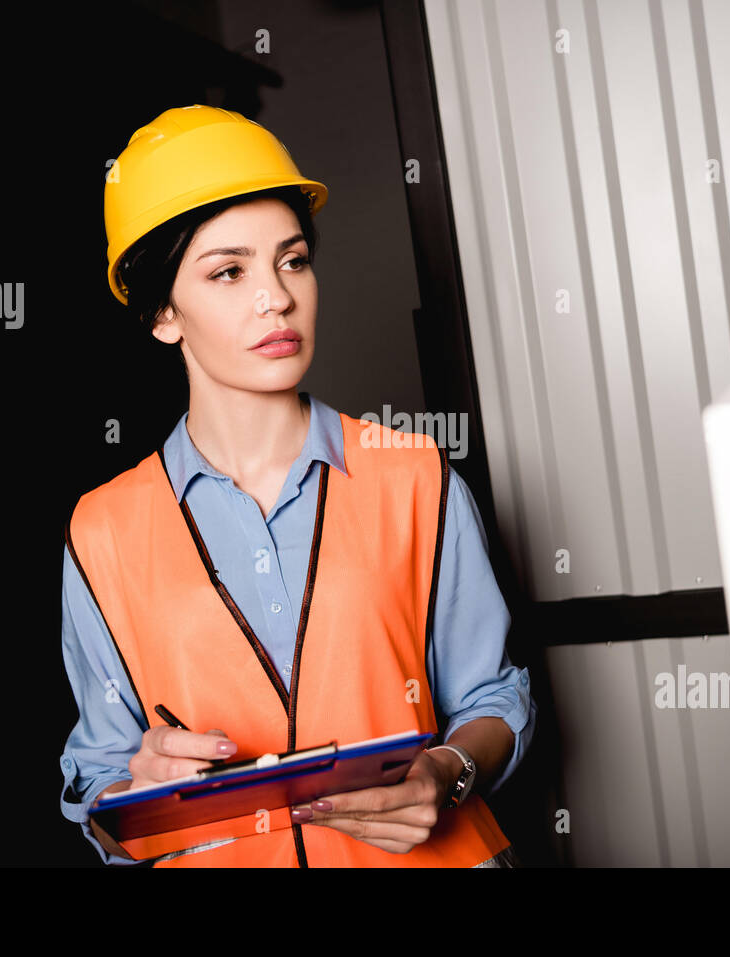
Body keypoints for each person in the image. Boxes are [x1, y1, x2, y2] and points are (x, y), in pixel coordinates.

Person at [57, 105, 536, 867]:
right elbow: (100, 782)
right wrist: (134, 789)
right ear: (161, 313)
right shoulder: (103, 529)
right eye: (229, 271)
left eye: (293, 260)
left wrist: (448, 772)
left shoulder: (414, 473)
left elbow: (492, 696)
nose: (275, 297)